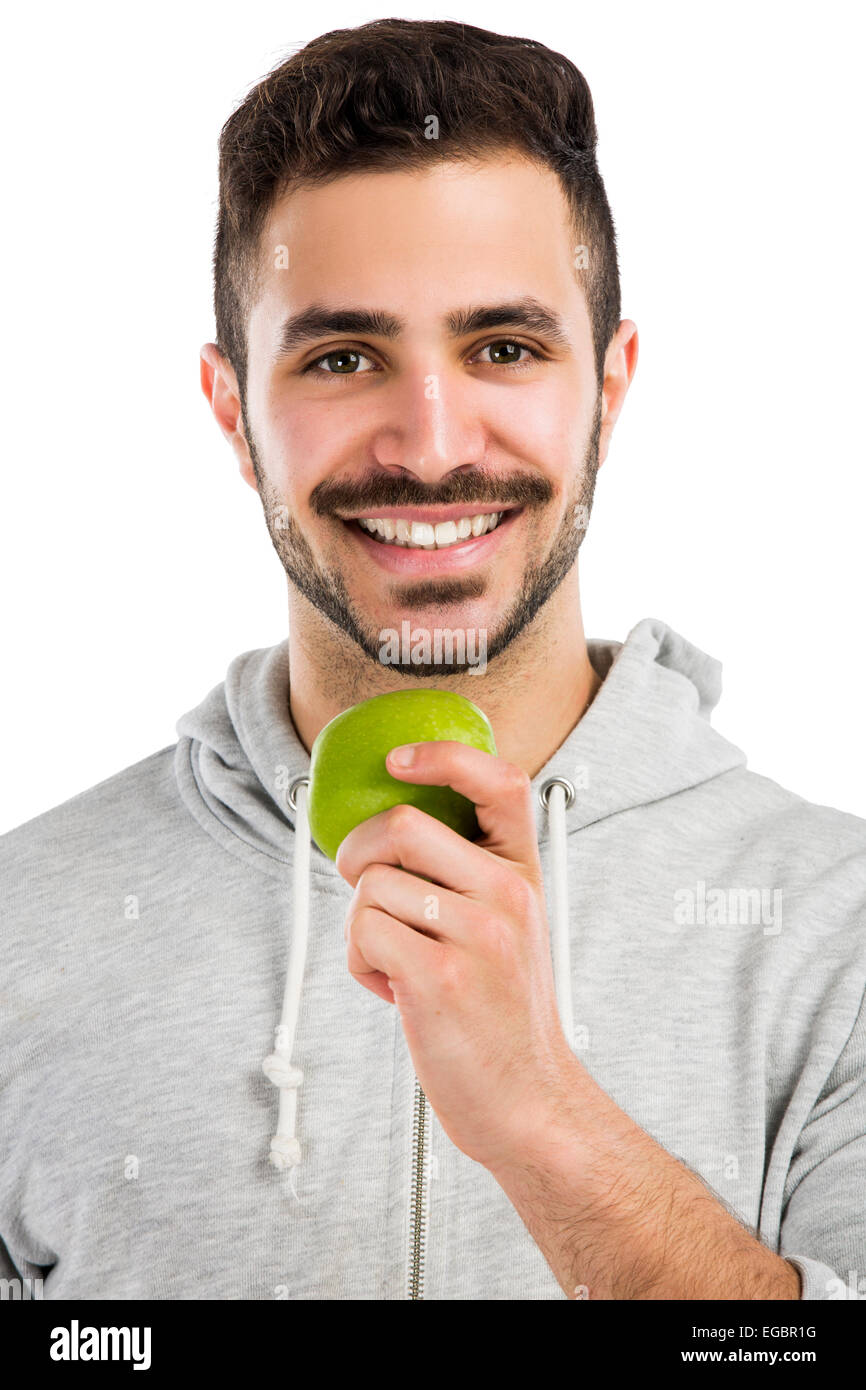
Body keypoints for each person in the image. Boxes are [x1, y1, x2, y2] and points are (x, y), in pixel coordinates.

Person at [1, 18, 864, 1302]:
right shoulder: (24, 926)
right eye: (343, 357)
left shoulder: (838, 934)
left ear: (609, 392)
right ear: (233, 411)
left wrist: (544, 1121)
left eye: (502, 348)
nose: (429, 441)